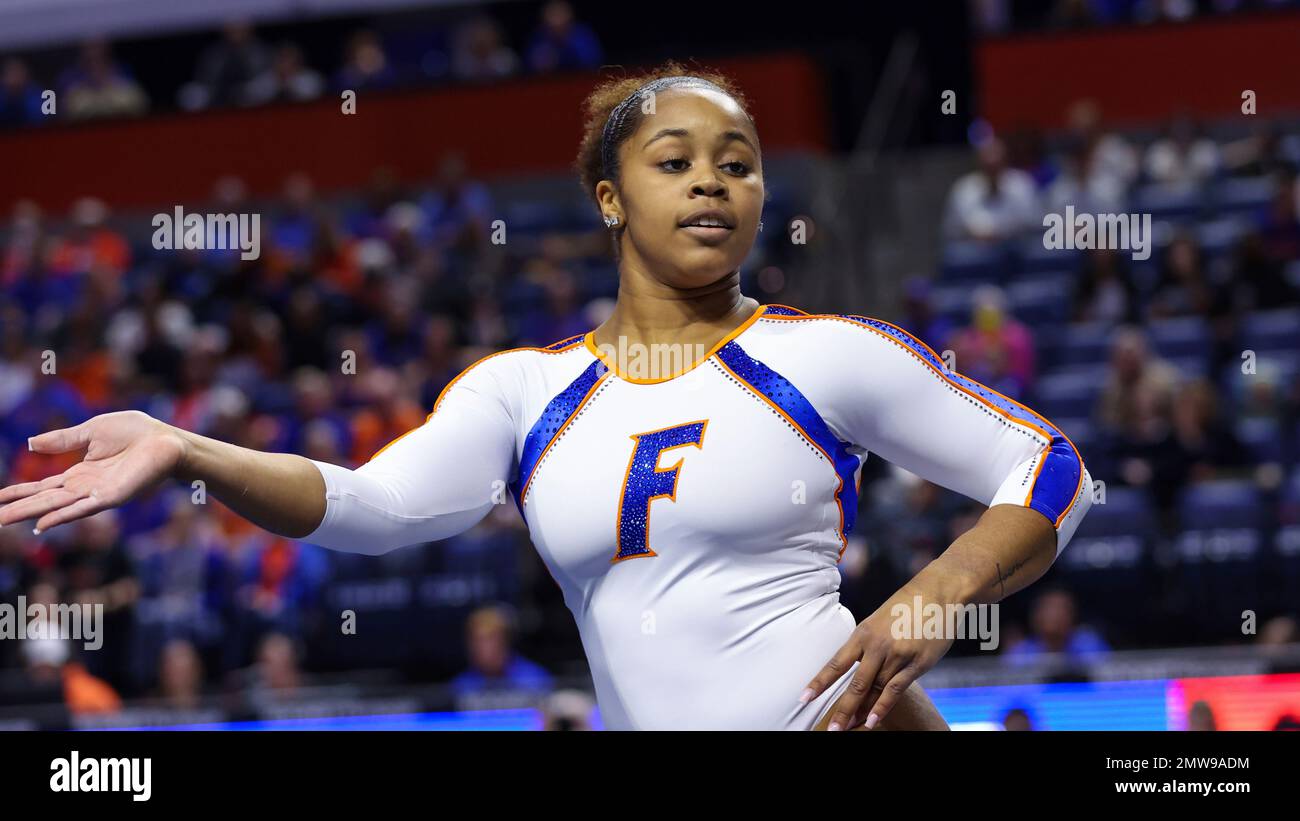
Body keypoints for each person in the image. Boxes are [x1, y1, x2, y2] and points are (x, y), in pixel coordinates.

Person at [0, 63, 1092, 731]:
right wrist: (188, 447)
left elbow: (1050, 468)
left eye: (740, 161)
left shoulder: (829, 356)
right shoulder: (526, 391)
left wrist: (935, 590)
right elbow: (370, 509)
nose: (715, 180)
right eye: (677, 160)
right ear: (611, 197)